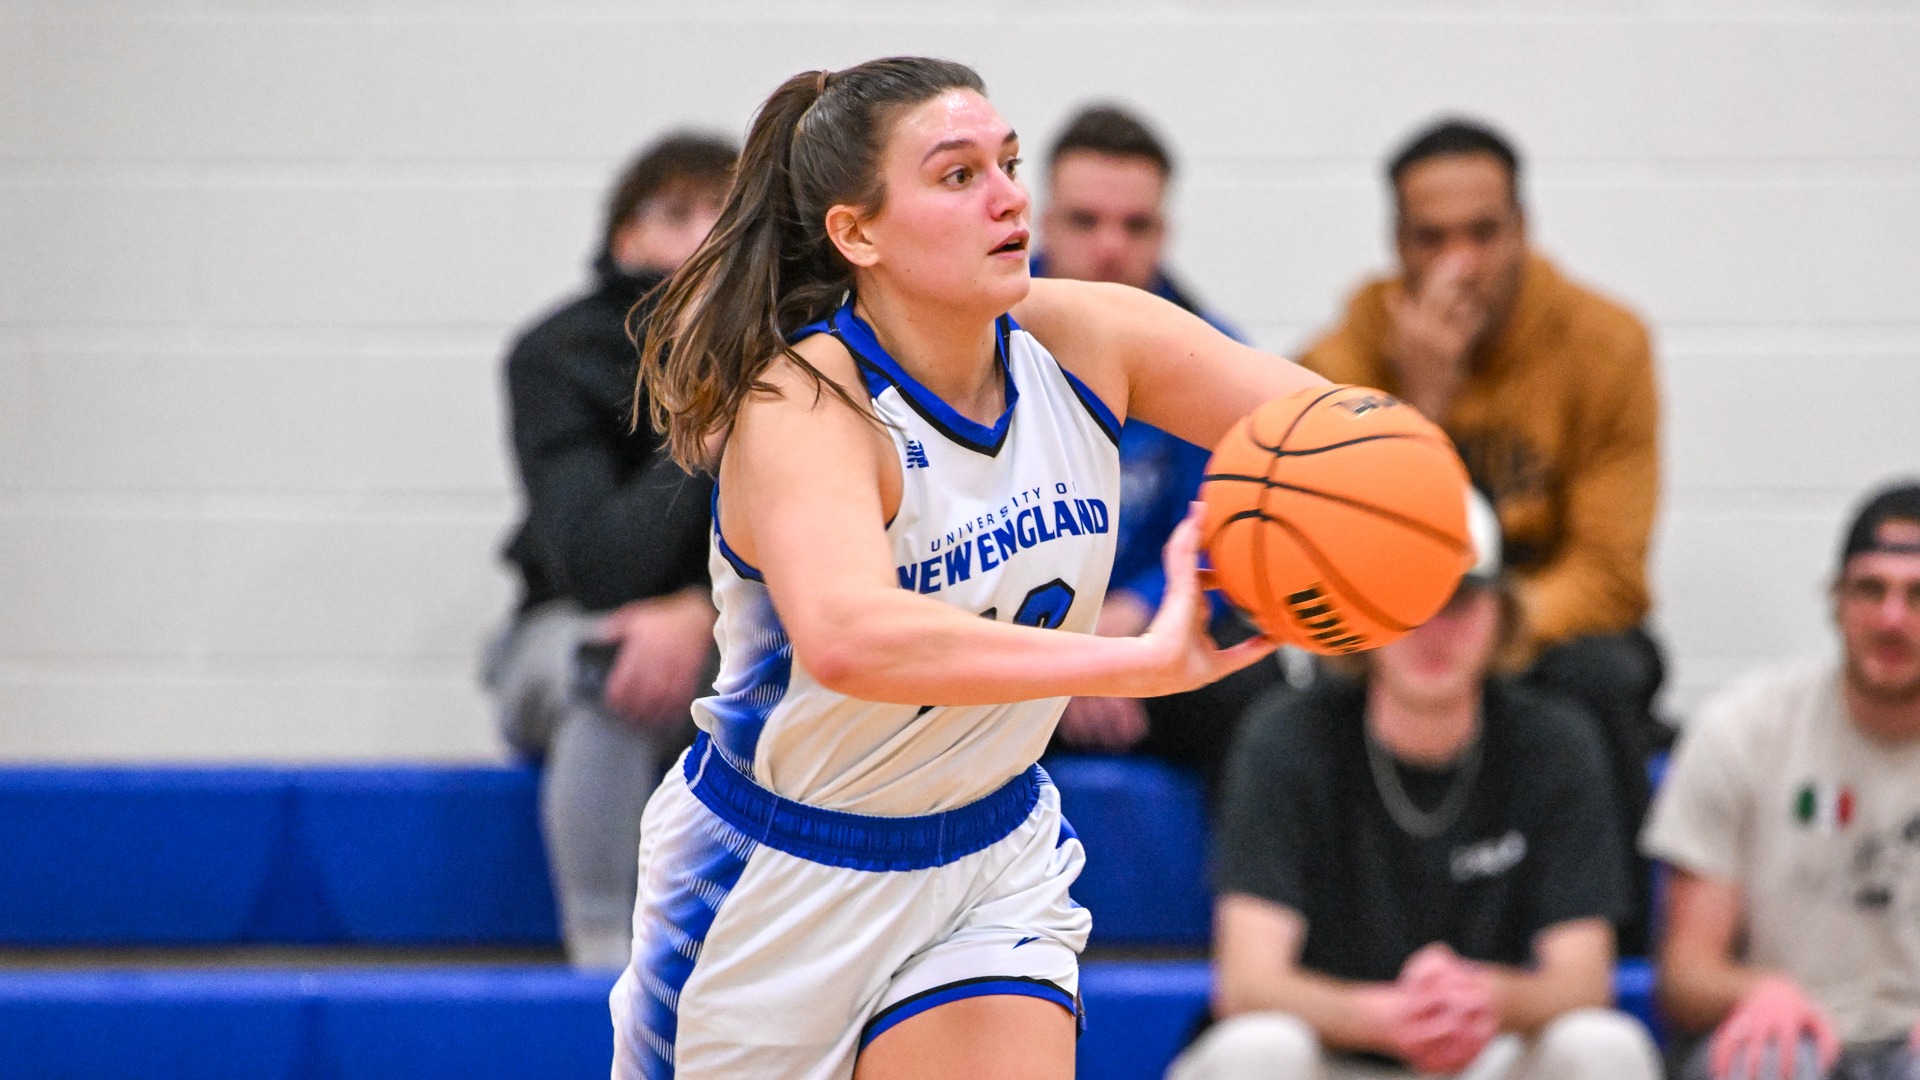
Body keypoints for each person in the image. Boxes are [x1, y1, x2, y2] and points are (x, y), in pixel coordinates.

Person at [608, 58, 1332, 1080]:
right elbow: (853, 637)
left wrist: (1395, 510)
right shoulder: (805, 403)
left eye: (1010, 162)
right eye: (958, 176)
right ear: (858, 233)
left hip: (988, 853)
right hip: (776, 882)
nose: (1008, 197)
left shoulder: (1090, 337)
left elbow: (1335, 435)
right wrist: (1123, 662)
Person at [1297, 116, 1663, 951]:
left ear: (1524, 233)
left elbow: (1611, 572)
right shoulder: (1340, 359)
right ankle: (1335, 942)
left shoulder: (1606, 346)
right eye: (1432, 238)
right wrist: (1420, 405)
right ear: (1397, 246)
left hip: (1542, 614)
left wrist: (1487, 629)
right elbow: (1325, 553)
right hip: (1389, 615)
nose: (1460, 263)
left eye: (1484, 233)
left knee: (1606, 675)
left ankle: (1612, 942)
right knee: (1307, 699)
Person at [1169, 491, 1661, 1080]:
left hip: (1483, 1053)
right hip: (1336, 1057)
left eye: (1458, 600)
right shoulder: (1287, 735)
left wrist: (1483, 998)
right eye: (1404, 599)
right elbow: (1247, 983)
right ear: (1358, 613)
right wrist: (1383, 1016)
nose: (1431, 628)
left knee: (1603, 1046)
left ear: (1500, 613)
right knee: (1258, 1050)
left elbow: (1583, 980)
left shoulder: (1555, 741)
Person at [485, 132, 737, 970]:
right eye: (676, 214)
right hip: (564, 632)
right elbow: (599, 566)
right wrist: (699, 434)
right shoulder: (559, 355)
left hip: (732, 635)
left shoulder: (798, 353)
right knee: (611, 667)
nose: (704, 234)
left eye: (724, 213)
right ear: (624, 239)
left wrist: (698, 612)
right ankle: (603, 969)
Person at [1034, 103, 1281, 795]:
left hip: (1154, 635)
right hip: (1009, 635)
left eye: (1134, 225)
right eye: (1085, 221)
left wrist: (1132, 623)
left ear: (1163, 234)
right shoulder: (966, 343)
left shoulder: (1214, 358)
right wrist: (1064, 648)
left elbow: (1230, 523)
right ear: (1043, 224)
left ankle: (1248, 905)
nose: (1110, 246)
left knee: (1260, 691)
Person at [1642, 481, 1920, 1080]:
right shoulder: (1743, 728)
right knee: (1766, 1061)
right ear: (1836, 600)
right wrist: (1756, 990)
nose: (1892, 618)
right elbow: (1684, 975)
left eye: (1918, 595)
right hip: (1791, 1034)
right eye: (1870, 590)